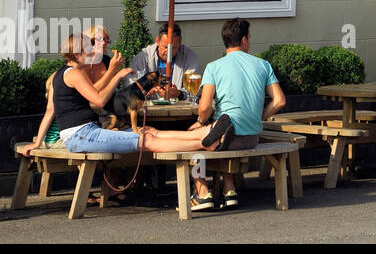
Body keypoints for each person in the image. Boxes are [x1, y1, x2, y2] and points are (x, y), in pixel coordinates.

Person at [21, 34, 236, 167]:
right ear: (76, 53)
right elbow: (99, 98)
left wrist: (38, 142)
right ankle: (205, 143)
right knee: (146, 142)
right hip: (83, 135)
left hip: (83, 133)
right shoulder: (74, 74)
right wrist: (116, 75)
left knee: (149, 130)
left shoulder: (61, 74)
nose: (92, 55)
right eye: (88, 52)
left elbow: (51, 111)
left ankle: (206, 132)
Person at [190, 17, 287, 209]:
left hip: (226, 136)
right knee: (224, 133)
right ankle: (229, 189)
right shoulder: (263, 65)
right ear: (244, 40)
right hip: (252, 136)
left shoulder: (214, 67)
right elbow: (280, 101)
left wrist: (200, 123)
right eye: (249, 38)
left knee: (192, 140)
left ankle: (202, 191)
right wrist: (258, 116)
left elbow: (204, 107)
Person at [130, 24, 203, 98]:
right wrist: (147, 92)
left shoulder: (189, 57)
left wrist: (179, 94)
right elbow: (131, 89)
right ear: (157, 41)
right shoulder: (143, 58)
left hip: (178, 107)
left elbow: (197, 90)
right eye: (165, 47)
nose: (169, 52)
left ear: (180, 42)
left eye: (173, 48)